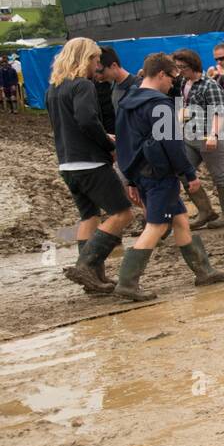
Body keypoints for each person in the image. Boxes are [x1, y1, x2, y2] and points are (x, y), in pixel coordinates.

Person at [111, 52, 224, 301]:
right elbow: (172, 144)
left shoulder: (126, 102)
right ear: (161, 74)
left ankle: (203, 271)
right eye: (172, 78)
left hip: (141, 172)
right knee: (156, 226)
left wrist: (131, 178)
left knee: (180, 220)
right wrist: (188, 174)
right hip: (159, 175)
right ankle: (127, 282)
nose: (173, 84)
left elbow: (124, 143)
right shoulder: (159, 104)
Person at [48, 38, 133, 294]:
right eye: (95, 59)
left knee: (90, 217)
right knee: (123, 213)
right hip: (90, 162)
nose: (98, 66)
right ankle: (86, 266)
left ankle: (94, 281)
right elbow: (86, 120)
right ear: (85, 58)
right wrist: (109, 145)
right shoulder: (83, 85)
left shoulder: (54, 87)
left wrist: (103, 137)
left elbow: (67, 124)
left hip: (67, 163)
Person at [172, 48, 224, 229]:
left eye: (183, 67)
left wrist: (214, 135)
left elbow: (219, 111)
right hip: (189, 135)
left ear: (193, 65)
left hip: (208, 136)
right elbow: (183, 106)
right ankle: (206, 211)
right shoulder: (184, 82)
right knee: (184, 172)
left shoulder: (210, 85)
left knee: (219, 175)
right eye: (177, 67)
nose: (180, 70)